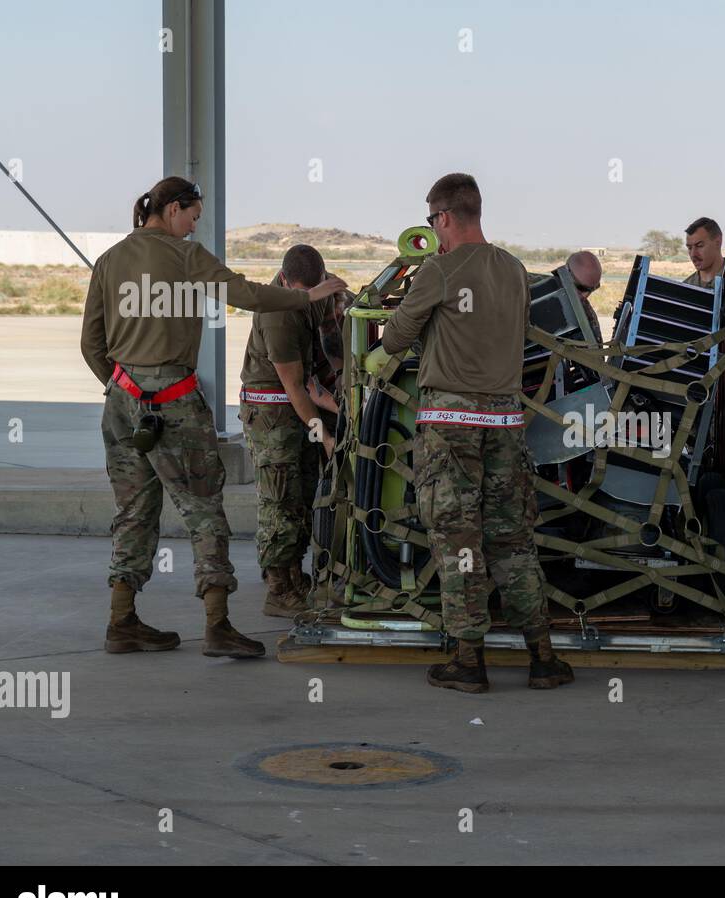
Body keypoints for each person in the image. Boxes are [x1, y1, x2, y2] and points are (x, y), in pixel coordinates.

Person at [80, 176, 345, 657]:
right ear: (175, 209)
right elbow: (248, 294)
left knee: (134, 511)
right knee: (203, 509)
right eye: (194, 216)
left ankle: (122, 621)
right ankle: (218, 625)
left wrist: (124, 387)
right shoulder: (186, 257)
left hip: (122, 402)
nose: (194, 226)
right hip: (175, 399)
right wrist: (305, 297)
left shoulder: (109, 260)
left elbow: (91, 345)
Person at [381, 172, 573, 693]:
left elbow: (395, 337)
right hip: (507, 422)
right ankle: (543, 657)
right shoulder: (514, 269)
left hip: (451, 428)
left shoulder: (438, 270)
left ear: (443, 218)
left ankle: (469, 660)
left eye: (432, 221)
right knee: (513, 539)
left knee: (459, 541)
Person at [238, 243, 340, 617]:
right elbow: (295, 387)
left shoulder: (315, 293)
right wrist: (325, 435)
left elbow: (311, 380)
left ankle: (295, 577)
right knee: (280, 501)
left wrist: (340, 405)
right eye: (302, 293)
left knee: (302, 495)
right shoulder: (278, 314)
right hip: (272, 415)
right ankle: (279, 588)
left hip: (293, 406)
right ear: (284, 280)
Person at [682, 217, 725, 288]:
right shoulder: (685, 288)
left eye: (699, 246)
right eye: (689, 248)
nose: (693, 254)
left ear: (718, 243)